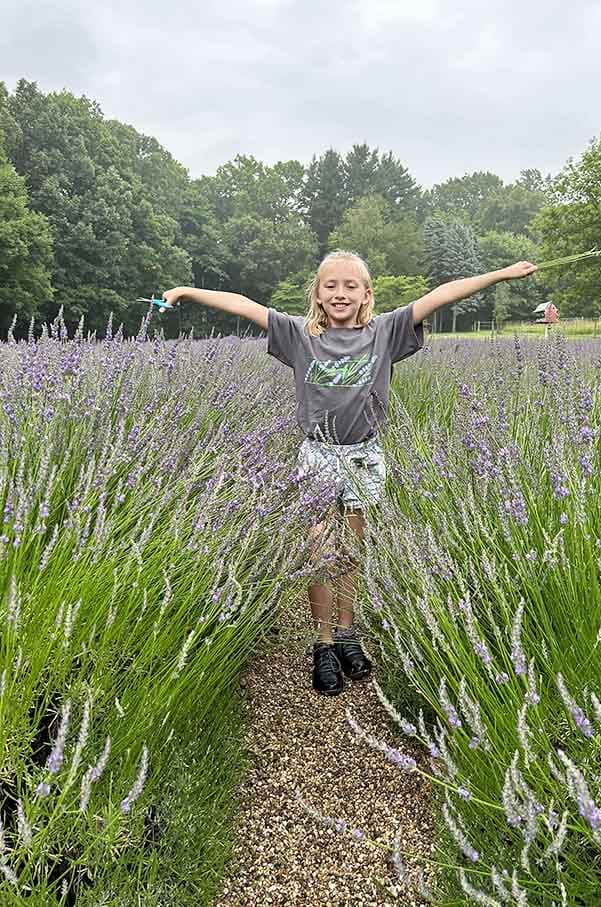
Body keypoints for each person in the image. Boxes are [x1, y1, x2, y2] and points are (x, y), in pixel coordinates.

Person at [163, 250, 536, 696]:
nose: (340, 293)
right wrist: (186, 291)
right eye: (330, 286)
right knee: (320, 551)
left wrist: (501, 275)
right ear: (317, 295)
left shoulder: (386, 332)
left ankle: (346, 633)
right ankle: (321, 645)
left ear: (366, 295)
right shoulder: (300, 335)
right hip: (318, 455)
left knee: (351, 552)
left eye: (350, 286)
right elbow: (243, 304)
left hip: (364, 455)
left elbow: (439, 295)